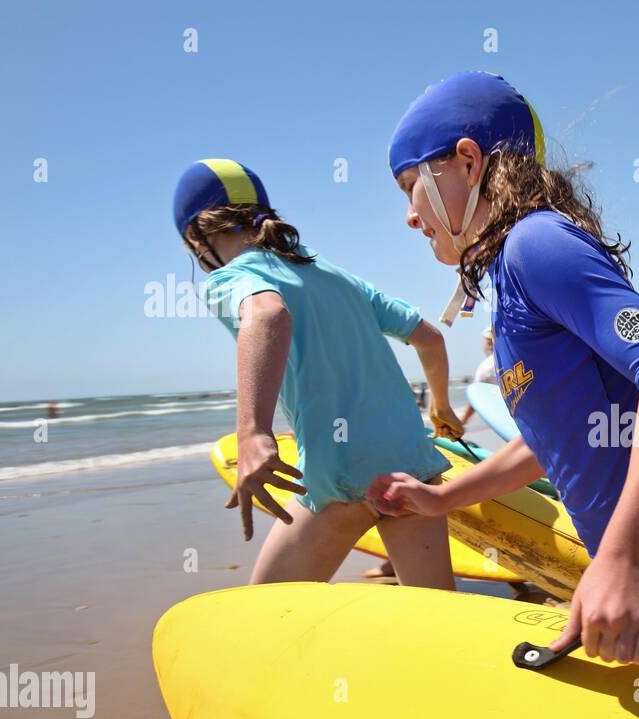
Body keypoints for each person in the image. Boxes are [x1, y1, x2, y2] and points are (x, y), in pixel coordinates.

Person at [369, 71, 639, 664]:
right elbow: (551, 439)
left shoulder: (536, 244)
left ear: (468, 163)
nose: (409, 216)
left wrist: (623, 562)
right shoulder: (512, 269)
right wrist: (440, 500)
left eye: (409, 187)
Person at [173, 158, 463, 587]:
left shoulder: (229, 278)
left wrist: (253, 432)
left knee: (267, 615)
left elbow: (269, 315)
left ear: (198, 238)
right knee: (441, 617)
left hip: (339, 479)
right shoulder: (334, 274)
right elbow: (430, 338)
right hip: (412, 467)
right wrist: (441, 407)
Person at [458, 327, 498, 426]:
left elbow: (476, 397)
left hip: (506, 417)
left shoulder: (486, 367)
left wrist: (462, 421)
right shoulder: (516, 359)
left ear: (489, 343)